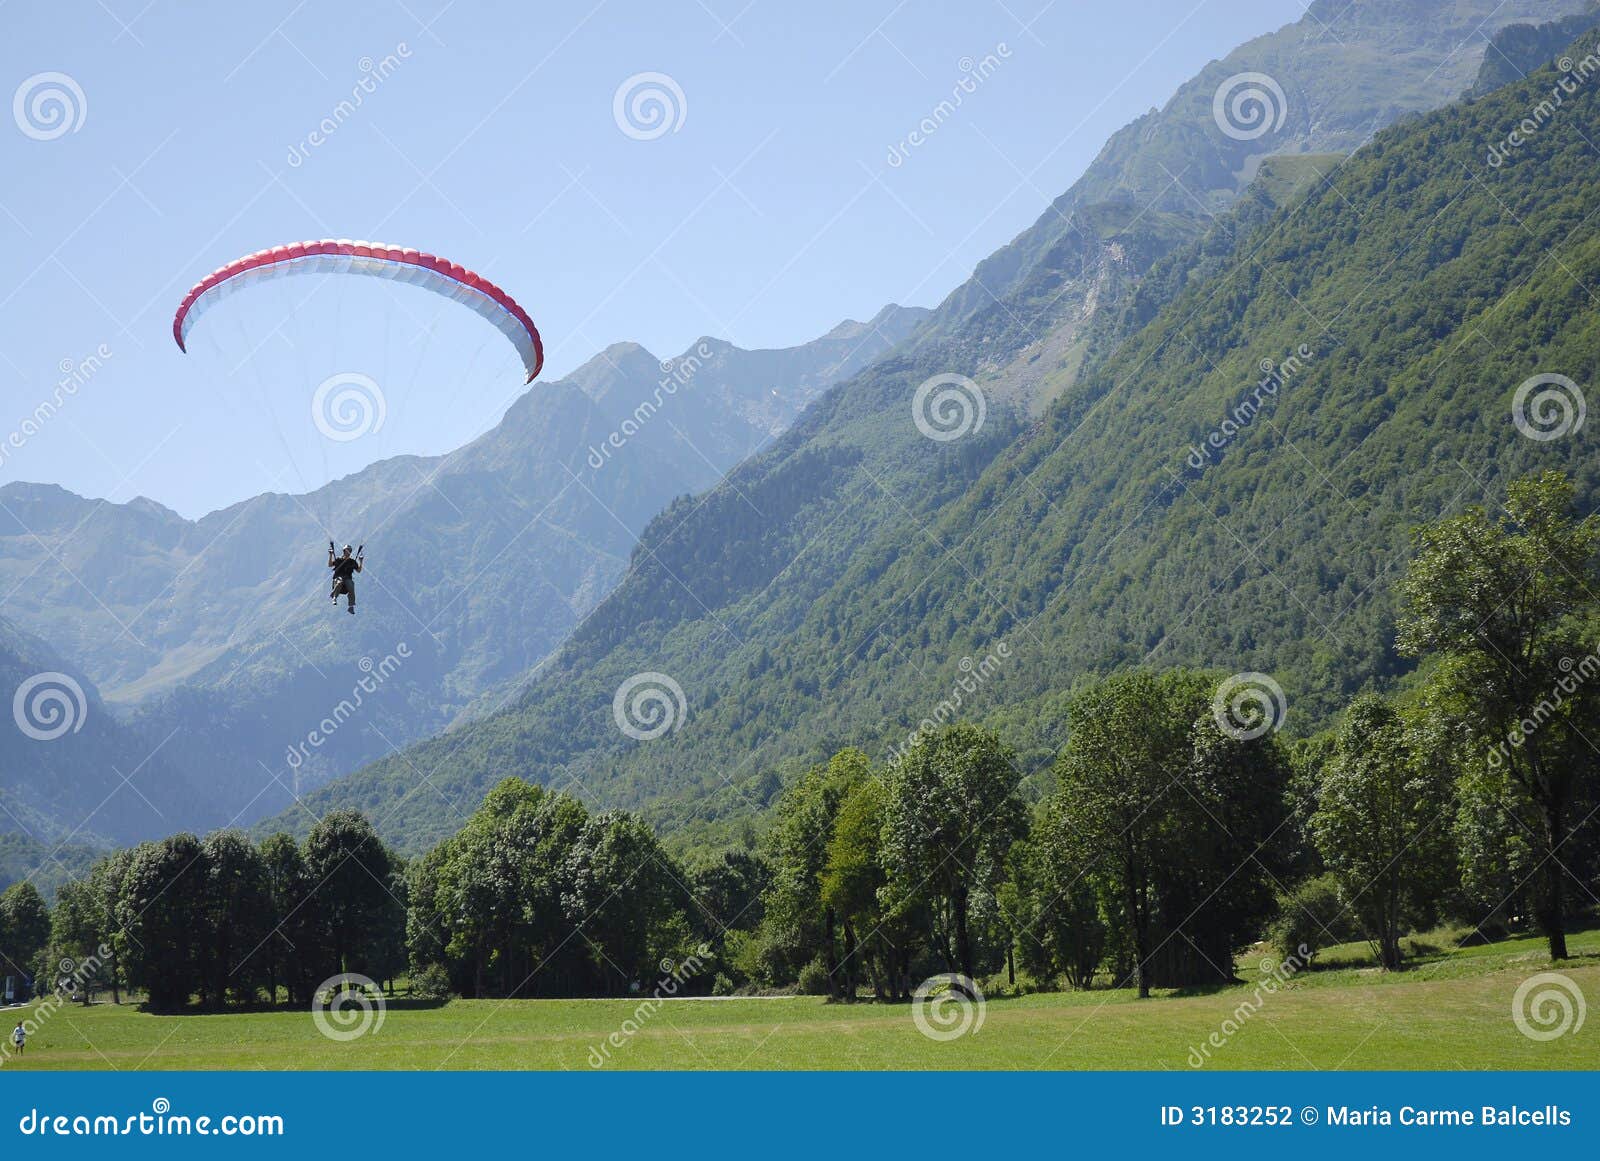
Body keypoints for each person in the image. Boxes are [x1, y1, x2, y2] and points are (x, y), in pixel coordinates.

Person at [328, 542, 363, 614]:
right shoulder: (339, 559)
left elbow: (358, 570)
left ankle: (351, 606)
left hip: (347, 579)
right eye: (347, 550)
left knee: (351, 586)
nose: (348, 552)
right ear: (344, 551)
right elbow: (330, 564)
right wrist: (331, 554)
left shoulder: (352, 562)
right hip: (338, 577)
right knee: (339, 582)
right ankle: (334, 597)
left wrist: (361, 561)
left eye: (349, 551)